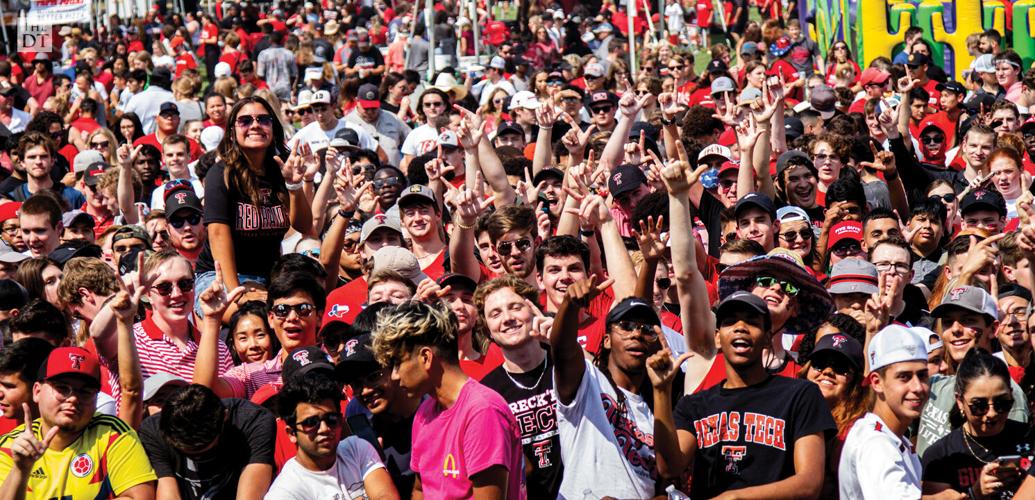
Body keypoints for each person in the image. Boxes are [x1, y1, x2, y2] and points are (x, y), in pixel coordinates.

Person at [651, 291, 834, 498]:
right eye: (730, 322)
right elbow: (669, 467)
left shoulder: (800, 394)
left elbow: (810, 484)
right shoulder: (694, 405)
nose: (740, 327)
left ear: (767, 338)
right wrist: (661, 391)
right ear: (717, 338)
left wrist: (736, 497)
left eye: (752, 322)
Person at [371, 301, 525, 499]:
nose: (394, 376)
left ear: (426, 357)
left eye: (397, 363)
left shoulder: (483, 411)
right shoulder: (425, 411)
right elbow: (420, 489)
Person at [0, 346, 157, 498]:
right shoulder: (11, 445)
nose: (74, 398)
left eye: (85, 392)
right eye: (62, 388)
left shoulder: (113, 434)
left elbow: (140, 497)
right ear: (37, 391)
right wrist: (21, 470)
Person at [196, 96, 313, 293]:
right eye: (245, 121)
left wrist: (294, 185)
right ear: (232, 133)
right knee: (251, 310)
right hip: (220, 274)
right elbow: (217, 234)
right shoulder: (221, 174)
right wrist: (237, 293)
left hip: (269, 275)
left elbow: (303, 226)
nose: (255, 125)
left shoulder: (282, 169)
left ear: (273, 129)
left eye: (263, 119)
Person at [476, 275, 562, 498]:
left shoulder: (566, 363)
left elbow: (605, 387)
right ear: (487, 329)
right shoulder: (486, 393)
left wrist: (562, 344)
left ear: (534, 310)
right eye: (495, 314)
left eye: (515, 307)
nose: (507, 318)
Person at [267, 370, 399, 499]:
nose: (324, 429)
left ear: (341, 421)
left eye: (331, 419)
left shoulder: (357, 449)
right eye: (311, 422)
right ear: (292, 433)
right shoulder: (284, 493)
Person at [921, 349, 1031, 498]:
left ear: (1011, 394)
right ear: (960, 401)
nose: (992, 413)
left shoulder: (1030, 438)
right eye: (979, 405)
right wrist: (975, 493)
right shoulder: (941, 455)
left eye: (1001, 402)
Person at [839, 325, 931, 498]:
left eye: (922, 375)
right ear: (876, 382)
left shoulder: (894, 437)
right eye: (904, 377)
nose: (918, 387)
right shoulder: (875, 442)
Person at [138, 383, 275, 499]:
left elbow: (250, 494)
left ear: (224, 417)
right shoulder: (153, 430)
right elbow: (168, 491)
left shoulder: (252, 421)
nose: (197, 457)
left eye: (202, 451)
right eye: (186, 452)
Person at [0, 338, 54, 435]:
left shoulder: (69, 433)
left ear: (37, 389)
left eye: (8, 386)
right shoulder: (2, 428)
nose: (0, 394)